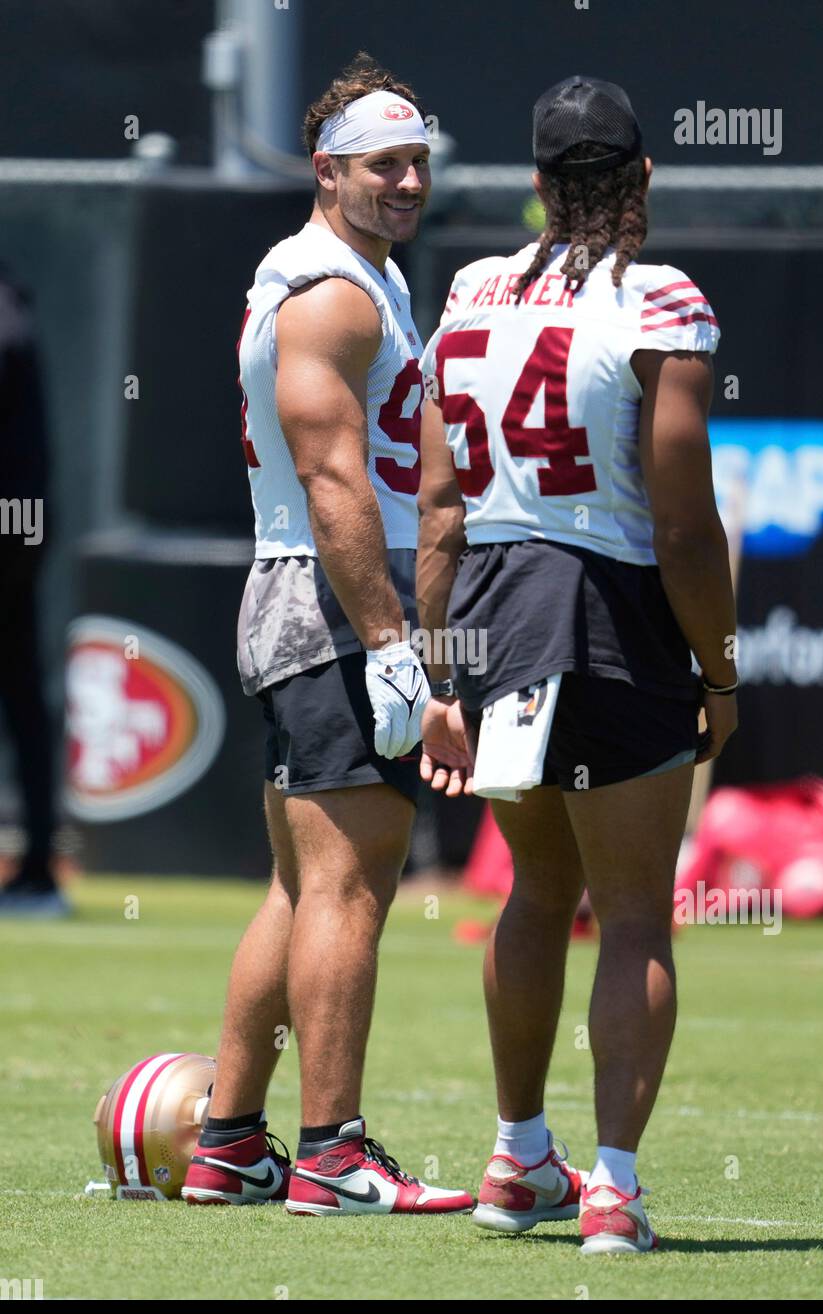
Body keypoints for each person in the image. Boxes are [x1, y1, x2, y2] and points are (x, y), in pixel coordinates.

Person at [416, 75, 738, 1251]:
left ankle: (514, 1158)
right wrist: (720, 669)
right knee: (635, 917)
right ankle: (608, 1185)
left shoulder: (465, 288)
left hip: (492, 611)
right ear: (643, 178)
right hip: (605, 607)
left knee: (534, 892)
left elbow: (441, 504)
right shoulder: (660, 296)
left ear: (539, 188)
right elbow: (683, 525)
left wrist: (440, 672)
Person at [182, 54, 473, 1216]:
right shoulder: (333, 291)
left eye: (416, 161)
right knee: (350, 887)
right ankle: (332, 1152)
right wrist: (397, 642)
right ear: (326, 171)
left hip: (313, 591)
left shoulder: (350, 274)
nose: (406, 181)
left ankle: (230, 1141)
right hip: (334, 597)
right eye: (381, 165)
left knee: (300, 887)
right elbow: (331, 477)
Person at [0, 268, 69, 918]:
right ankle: (39, 868)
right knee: (24, 701)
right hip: (18, 536)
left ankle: (40, 869)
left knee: (23, 702)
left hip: (10, 538)